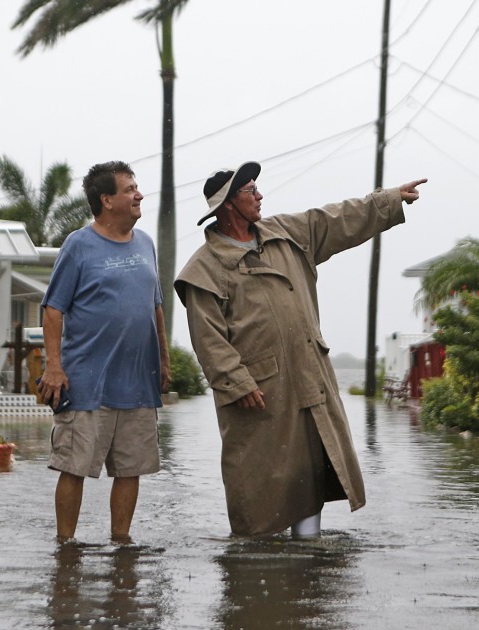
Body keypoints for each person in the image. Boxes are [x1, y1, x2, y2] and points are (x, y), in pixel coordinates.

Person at [175, 161, 427, 537]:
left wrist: (388, 201)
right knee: (260, 482)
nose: (260, 196)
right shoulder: (204, 269)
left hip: (309, 379)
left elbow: (336, 219)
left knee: (310, 474)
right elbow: (208, 337)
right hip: (259, 394)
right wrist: (236, 383)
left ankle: (307, 558)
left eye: (258, 188)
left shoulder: (286, 233)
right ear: (228, 204)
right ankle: (256, 568)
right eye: (250, 191)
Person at [39, 160, 171, 544]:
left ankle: (121, 543)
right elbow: (53, 309)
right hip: (86, 380)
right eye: (130, 189)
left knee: (131, 469)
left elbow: (156, 306)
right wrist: (54, 368)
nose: (139, 194)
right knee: (74, 467)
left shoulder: (145, 243)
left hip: (137, 381)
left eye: (136, 187)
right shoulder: (79, 245)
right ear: (106, 200)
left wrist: (162, 360)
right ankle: (65, 546)